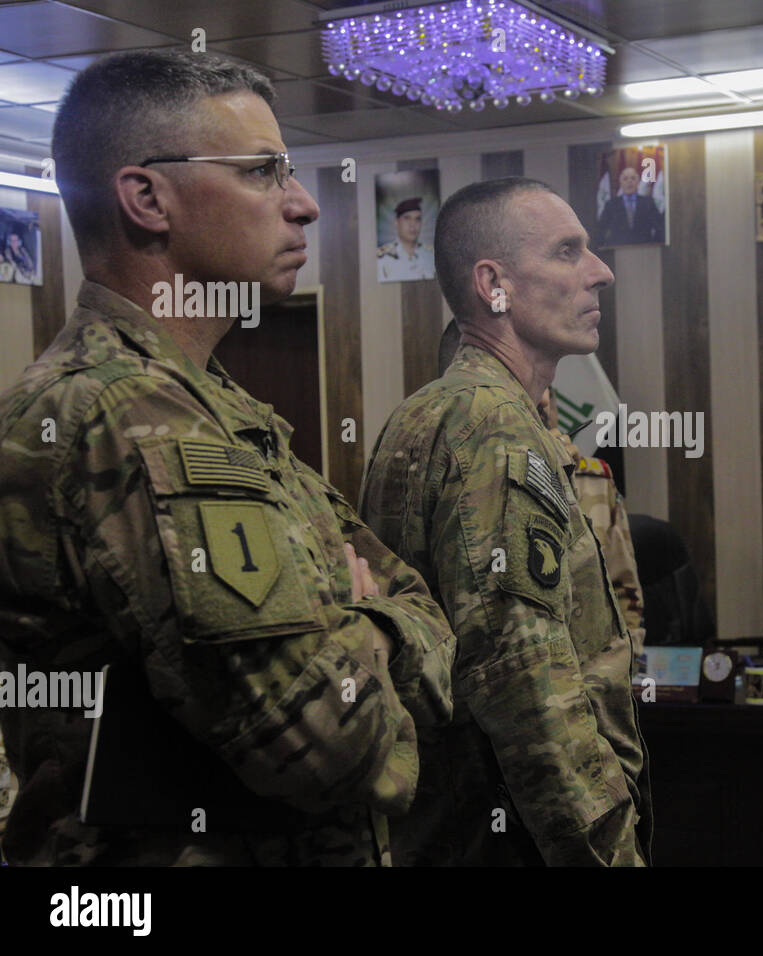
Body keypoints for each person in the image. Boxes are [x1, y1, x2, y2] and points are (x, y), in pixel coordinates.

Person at [0, 49, 456, 866]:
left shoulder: (214, 406)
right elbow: (322, 744)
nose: (304, 206)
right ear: (146, 198)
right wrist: (381, 629)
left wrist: (360, 627)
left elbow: (421, 601)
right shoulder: (123, 413)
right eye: (261, 173)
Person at [359, 176, 652, 866]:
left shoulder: (435, 409)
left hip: (449, 826)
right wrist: (606, 852)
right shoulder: (493, 427)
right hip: (510, 834)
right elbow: (522, 679)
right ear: (495, 285)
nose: (600, 273)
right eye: (568, 252)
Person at [538, 386, 647, 657]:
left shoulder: (595, 477)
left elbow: (623, 581)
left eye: (547, 399)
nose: (541, 403)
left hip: (593, 660)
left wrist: (629, 655)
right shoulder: (493, 474)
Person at [594, 165, 663, 247]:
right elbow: (601, 230)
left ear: (638, 182)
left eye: (633, 178)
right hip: (617, 250)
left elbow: (660, 228)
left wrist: (654, 245)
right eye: (625, 179)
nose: (629, 181)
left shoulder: (648, 202)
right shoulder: (611, 204)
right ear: (621, 182)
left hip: (644, 250)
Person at [378, 196, 436, 282]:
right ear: (396, 222)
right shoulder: (382, 259)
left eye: (417, 219)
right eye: (407, 218)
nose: (413, 224)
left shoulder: (431, 256)